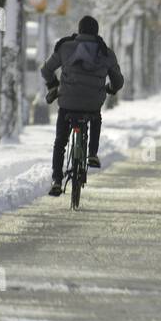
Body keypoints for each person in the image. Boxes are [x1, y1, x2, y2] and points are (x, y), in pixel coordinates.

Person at [41, 15, 125, 196]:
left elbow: (46, 69)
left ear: (79, 30)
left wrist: (53, 86)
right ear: (96, 32)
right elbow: (118, 80)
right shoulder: (106, 52)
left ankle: (56, 179)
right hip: (92, 103)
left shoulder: (65, 47)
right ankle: (92, 153)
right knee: (95, 117)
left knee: (60, 142)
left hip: (67, 103)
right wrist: (111, 88)